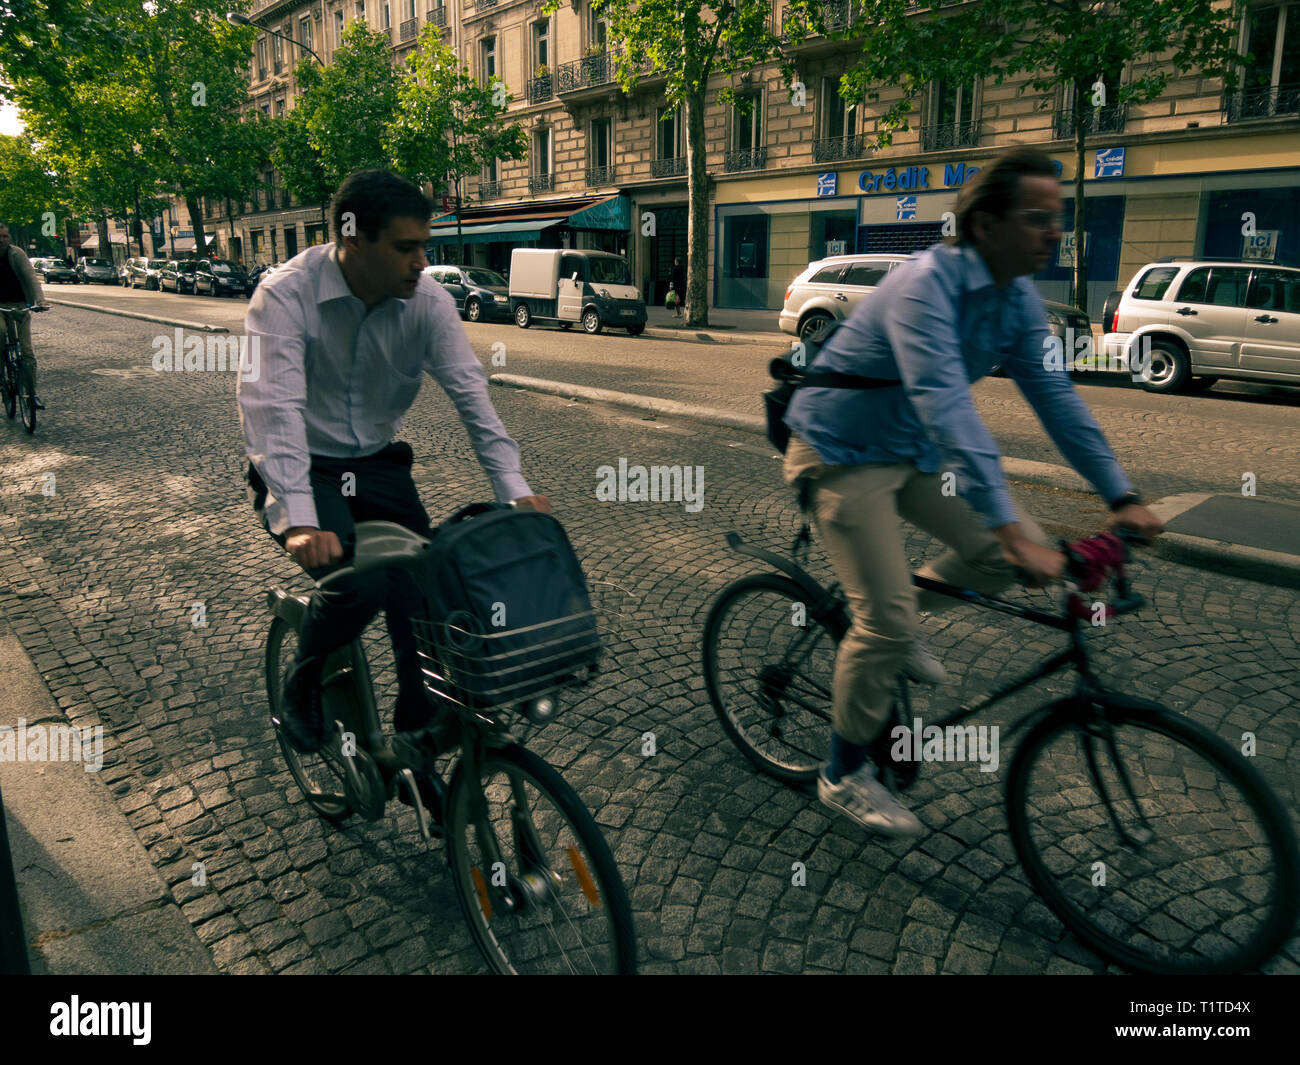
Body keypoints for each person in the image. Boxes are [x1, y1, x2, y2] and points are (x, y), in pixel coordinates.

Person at [782, 146, 1164, 838]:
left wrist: (1121, 493)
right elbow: (945, 405)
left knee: (1006, 554)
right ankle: (842, 773)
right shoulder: (927, 286)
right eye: (1037, 218)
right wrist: (1009, 526)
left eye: (1059, 218)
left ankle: (896, 622)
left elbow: (1057, 399)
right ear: (985, 225)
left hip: (911, 451)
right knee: (891, 617)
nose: (1055, 232)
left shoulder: (1017, 300)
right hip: (838, 450)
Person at [238, 169, 549, 810]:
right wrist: (299, 517)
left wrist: (514, 489)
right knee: (370, 578)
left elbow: (471, 394)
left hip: (379, 463)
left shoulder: (428, 301)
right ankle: (304, 676)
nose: (422, 260)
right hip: (309, 467)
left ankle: (414, 746)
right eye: (406, 247)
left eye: (424, 244)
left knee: (427, 596)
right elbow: (275, 413)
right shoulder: (284, 296)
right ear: (352, 239)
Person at [0, 224, 49, 409]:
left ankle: (32, 394)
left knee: (27, 352)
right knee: (1, 331)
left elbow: (31, 277)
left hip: (20, 305)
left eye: (5, 236)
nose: (2, 240)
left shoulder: (16, 254)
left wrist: (41, 300)